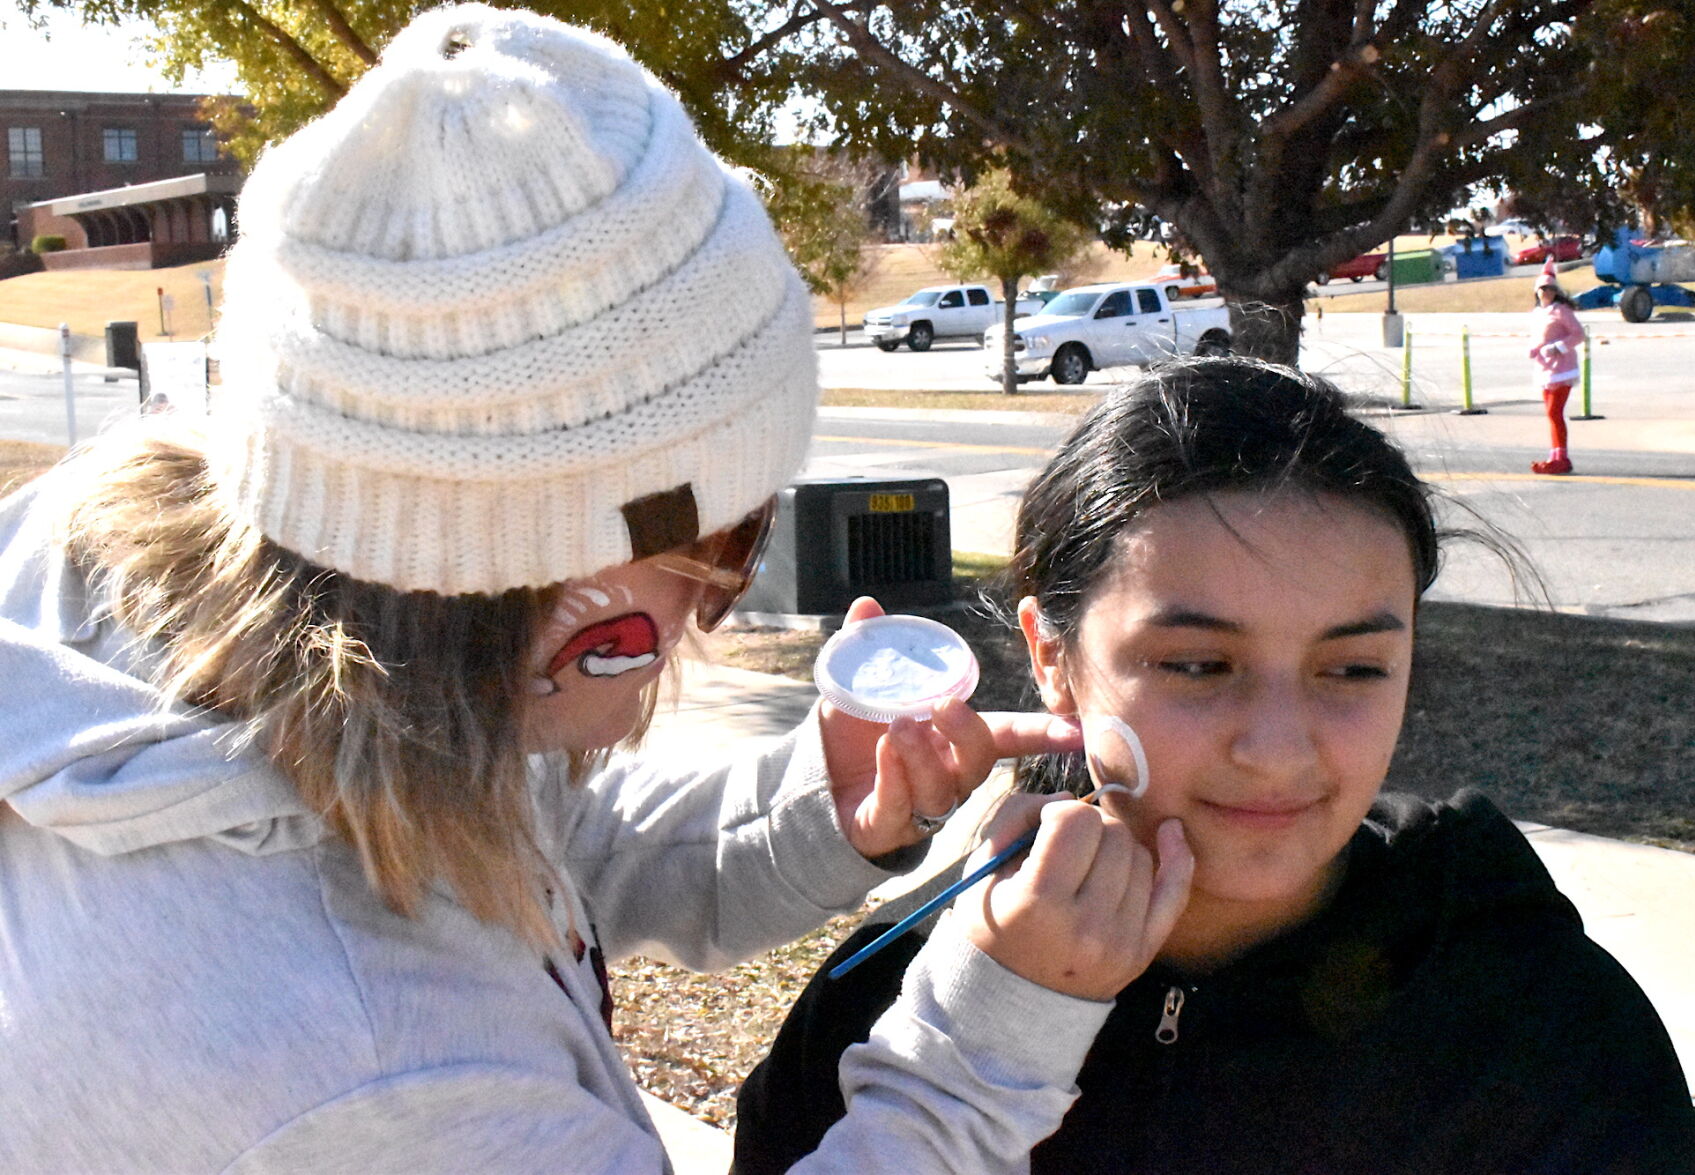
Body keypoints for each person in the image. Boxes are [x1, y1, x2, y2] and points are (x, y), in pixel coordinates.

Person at [0, 8, 1188, 1171]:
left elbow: (548, 844)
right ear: (530, 574)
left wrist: (824, 806)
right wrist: (994, 1026)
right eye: (724, 544)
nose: (717, 607)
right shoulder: (368, 1064)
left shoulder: (298, 657)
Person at [734, 359, 1695, 1174]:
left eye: (1352, 668)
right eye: (1197, 665)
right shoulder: (888, 1020)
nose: (1277, 747)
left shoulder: (1536, 1019)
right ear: (1050, 658)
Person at [1530, 258, 1586, 475]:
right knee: (1551, 414)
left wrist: (1558, 347)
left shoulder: (1561, 310)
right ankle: (1555, 455)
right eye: (1543, 288)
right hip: (1545, 370)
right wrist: (1535, 349)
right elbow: (1539, 337)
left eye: (1550, 289)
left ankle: (1562, 457)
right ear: (1536, 291)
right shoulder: (1538, 313)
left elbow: (1578, 334)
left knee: (1555, 412)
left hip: (1562, 369)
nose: (1546, 292)